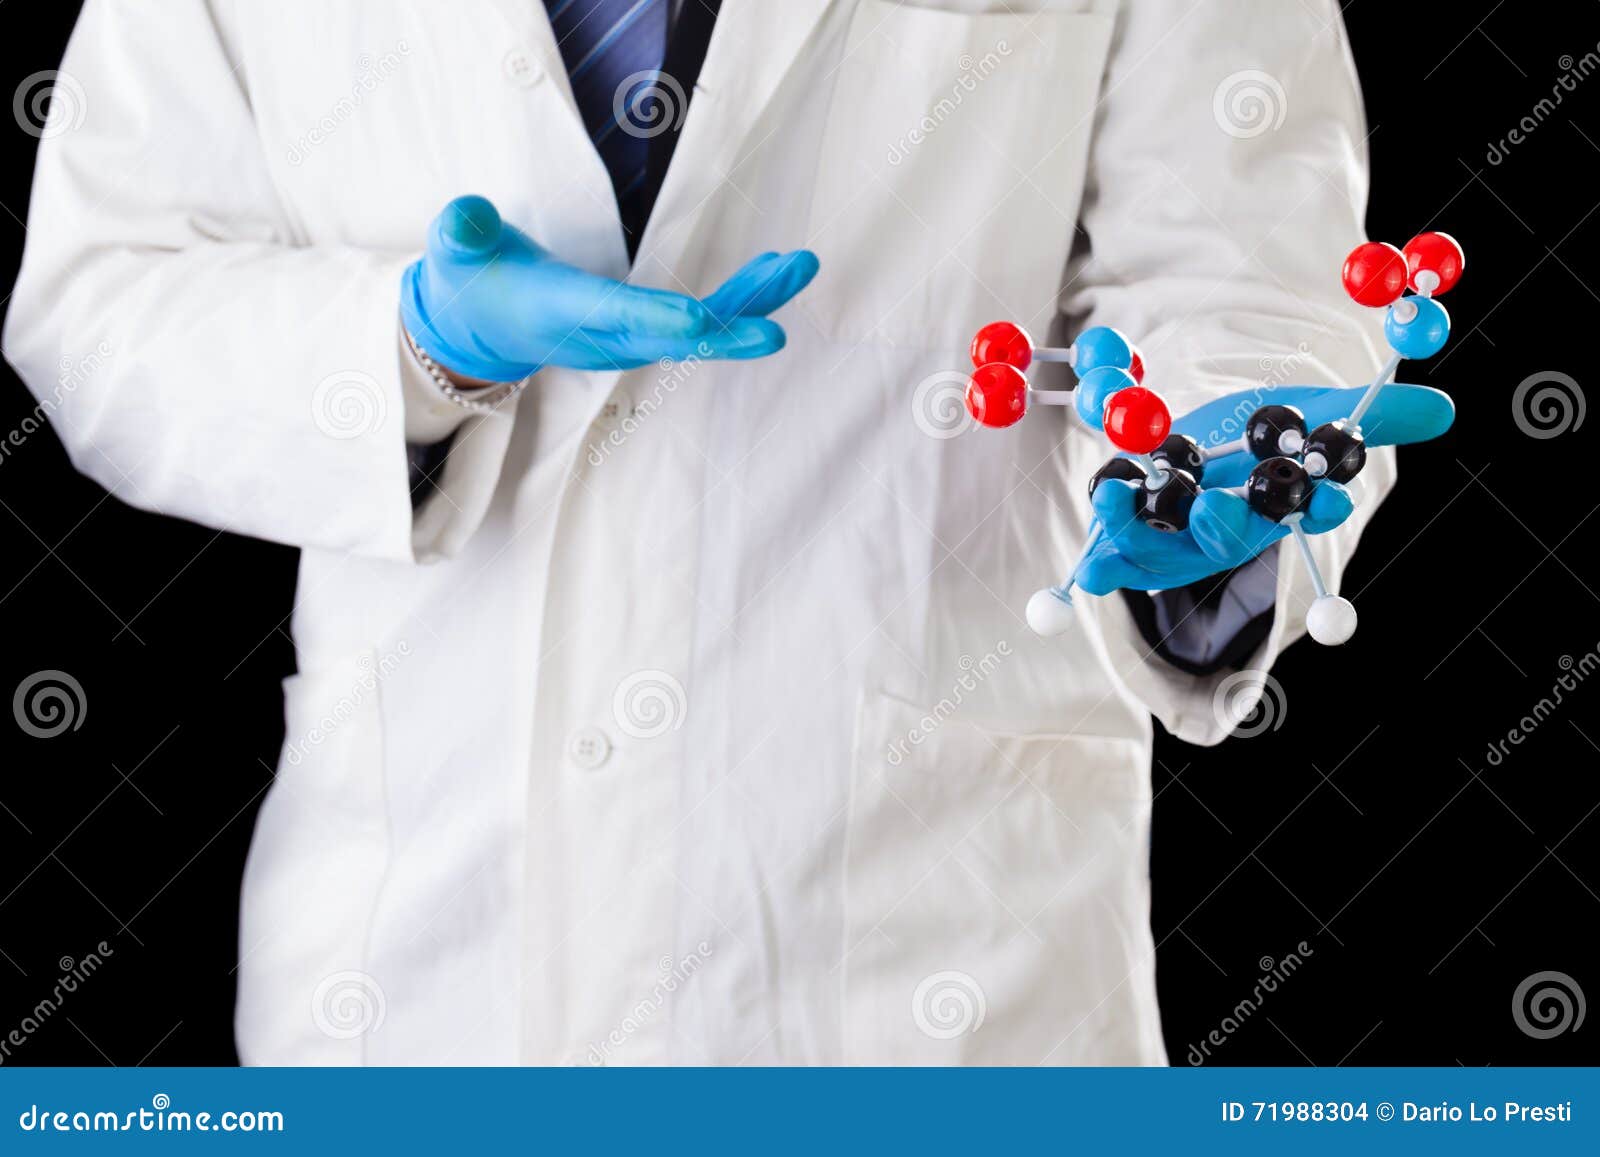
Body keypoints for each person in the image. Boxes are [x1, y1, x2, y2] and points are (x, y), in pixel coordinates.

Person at [5, 0, 1450, 1064]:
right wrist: (415, 350)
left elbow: (1240, 284)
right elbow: (104, 298)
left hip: (936, 983)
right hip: (423, 986)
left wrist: (1218, 477)